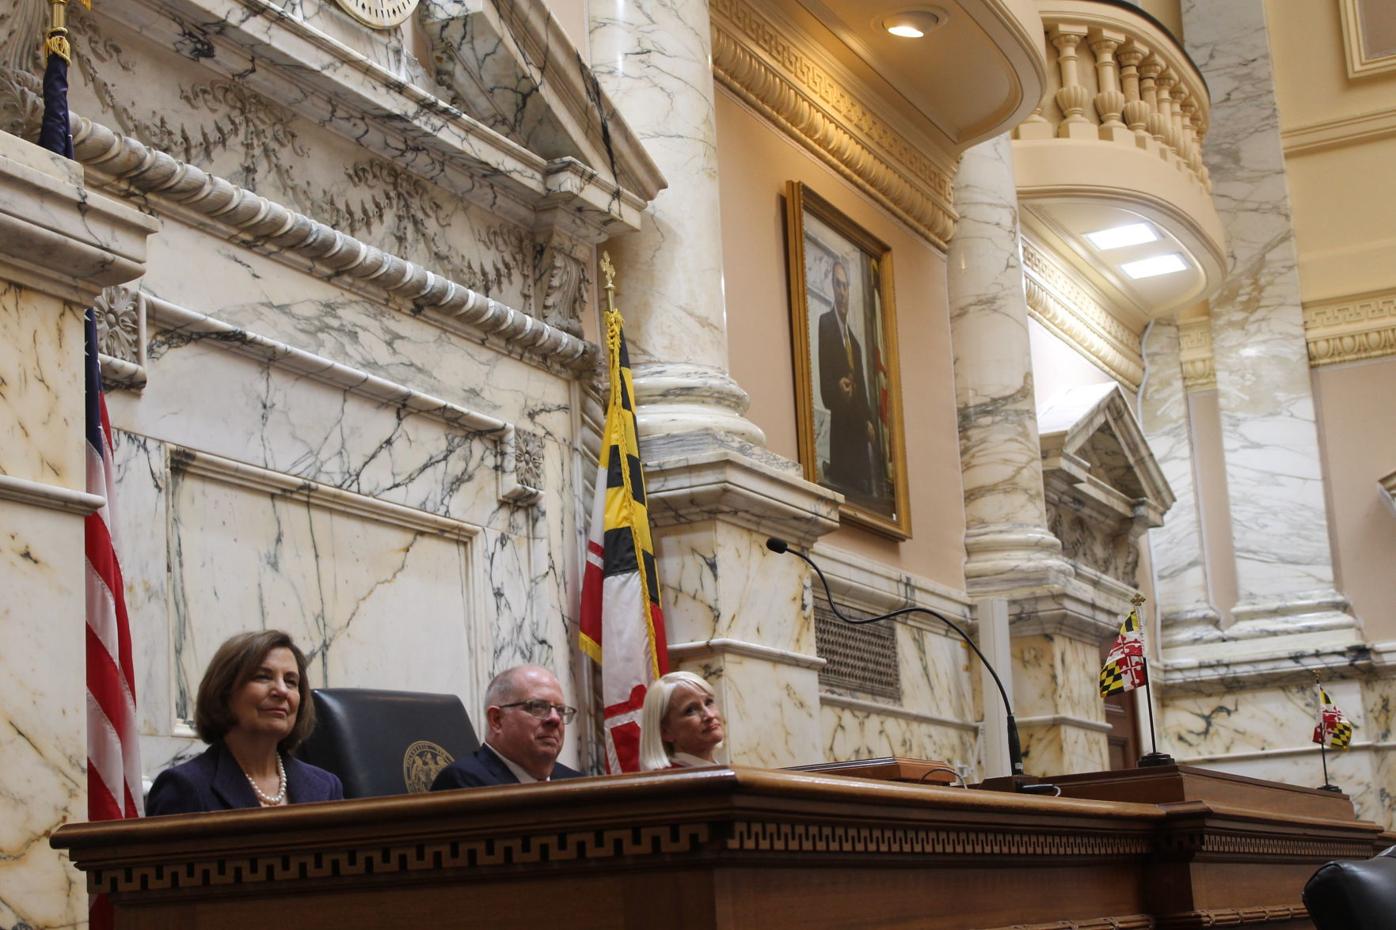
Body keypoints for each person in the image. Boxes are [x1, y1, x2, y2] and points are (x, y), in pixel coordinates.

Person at [146, 630, 343, 814]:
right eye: (263, 677)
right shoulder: (184, 787)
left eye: (291, 681)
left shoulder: (325, 787)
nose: (282, 691)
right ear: (224, 692)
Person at [431, 665, 583, 788]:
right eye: (537, 707)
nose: (555, 719)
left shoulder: (578, 784)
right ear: (496, 719)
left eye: (561, 710)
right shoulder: (464, 783)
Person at [816, 259, 877, 496]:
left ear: (850, 289)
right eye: (837, 285)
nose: (841, 292)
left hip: (860, 448)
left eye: (845, 286)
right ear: (832, 287)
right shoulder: (825, 324)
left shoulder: (857, 345)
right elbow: (825, 387)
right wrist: (838, 390)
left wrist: (869, 422)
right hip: (841, 447)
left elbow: (861, 392)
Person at [638, 671, 725, 770]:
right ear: (665, 732)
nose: (710, 715)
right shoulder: (673, 783)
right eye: (690, 710)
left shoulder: (719, 772)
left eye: (708, 702)